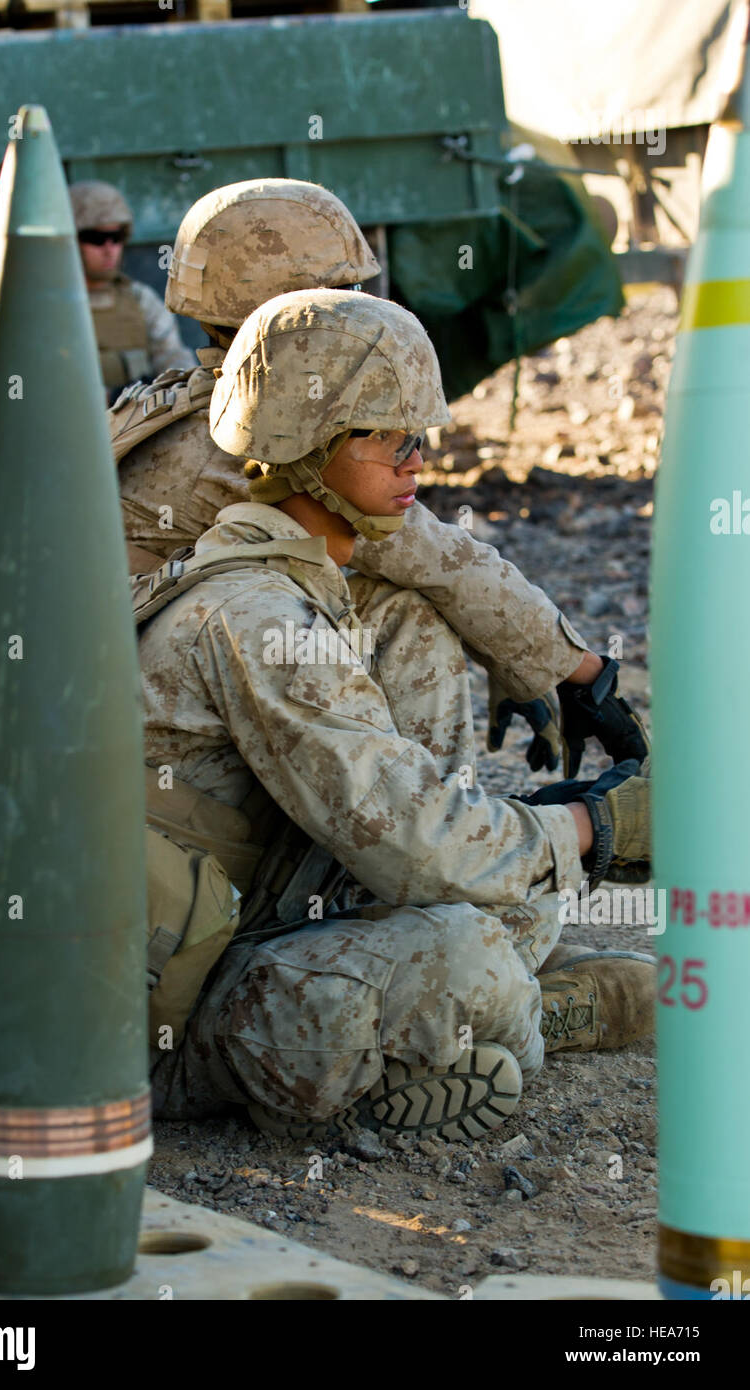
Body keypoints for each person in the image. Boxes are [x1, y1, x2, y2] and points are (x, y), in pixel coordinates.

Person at [136, 289, 654, 1144]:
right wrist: (595, 827)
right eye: (386, 434)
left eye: (422, 434)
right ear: (305, 448)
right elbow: (422, 841)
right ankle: (524, 1021)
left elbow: (417, 830)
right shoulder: (259, 619)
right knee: (468, 949)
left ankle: (481, 1018)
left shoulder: (300, 584)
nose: (418, 458)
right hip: (159, 1021)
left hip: (252, 921)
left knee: (507, 902)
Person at [113, 176, 633, 778]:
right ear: (300, 311)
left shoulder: (181, 402)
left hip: (128, 682)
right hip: (149, 743)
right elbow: (437, 559)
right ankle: (439, 840)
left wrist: (523, 662)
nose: (358, 312)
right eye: (342, 295)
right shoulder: (245, 440)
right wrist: (584, 677)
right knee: (407, 618)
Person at [68, 181, 194, 402]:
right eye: (96, 239)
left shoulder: (140, 299)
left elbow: (174, 359)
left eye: (116, 238)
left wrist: (182, 389)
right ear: (71, 240)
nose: (109, 249)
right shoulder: (50, 308)